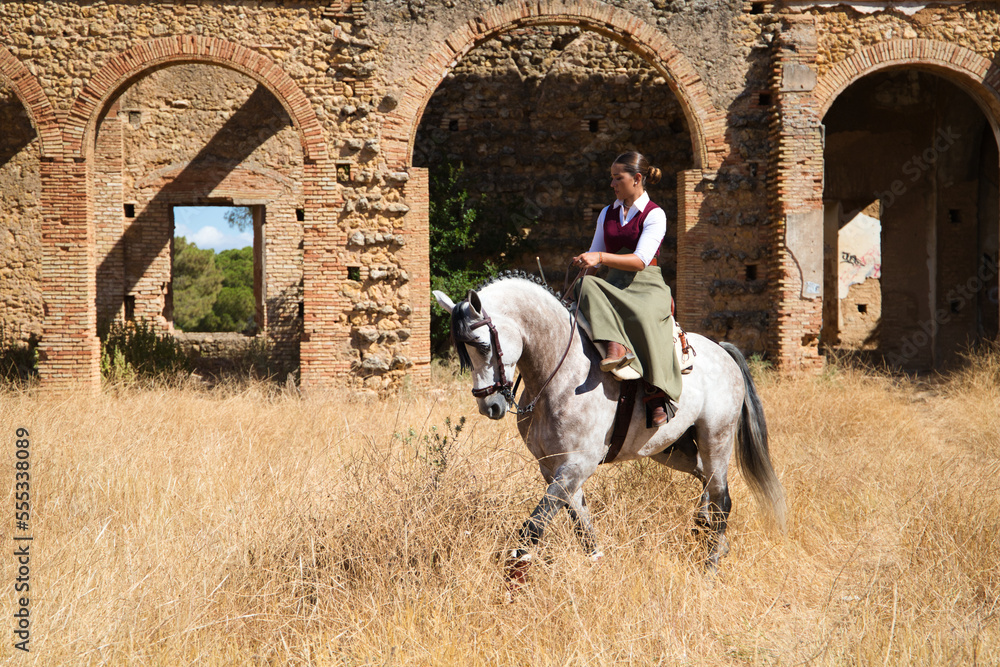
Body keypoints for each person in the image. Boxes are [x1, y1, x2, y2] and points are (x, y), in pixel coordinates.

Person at [571, 151, 680, 426]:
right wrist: (573, 287)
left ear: (637, 179)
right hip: (614, 284)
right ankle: (616, 346)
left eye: (617, 178)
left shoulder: (655, 214)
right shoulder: (607, 212)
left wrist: (600, 257)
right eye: (611, 178)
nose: (612, 184)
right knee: (584, 285)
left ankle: (657, 393)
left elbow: (641, 261)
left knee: (642, 317)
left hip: (648, 286)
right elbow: (594, 262)